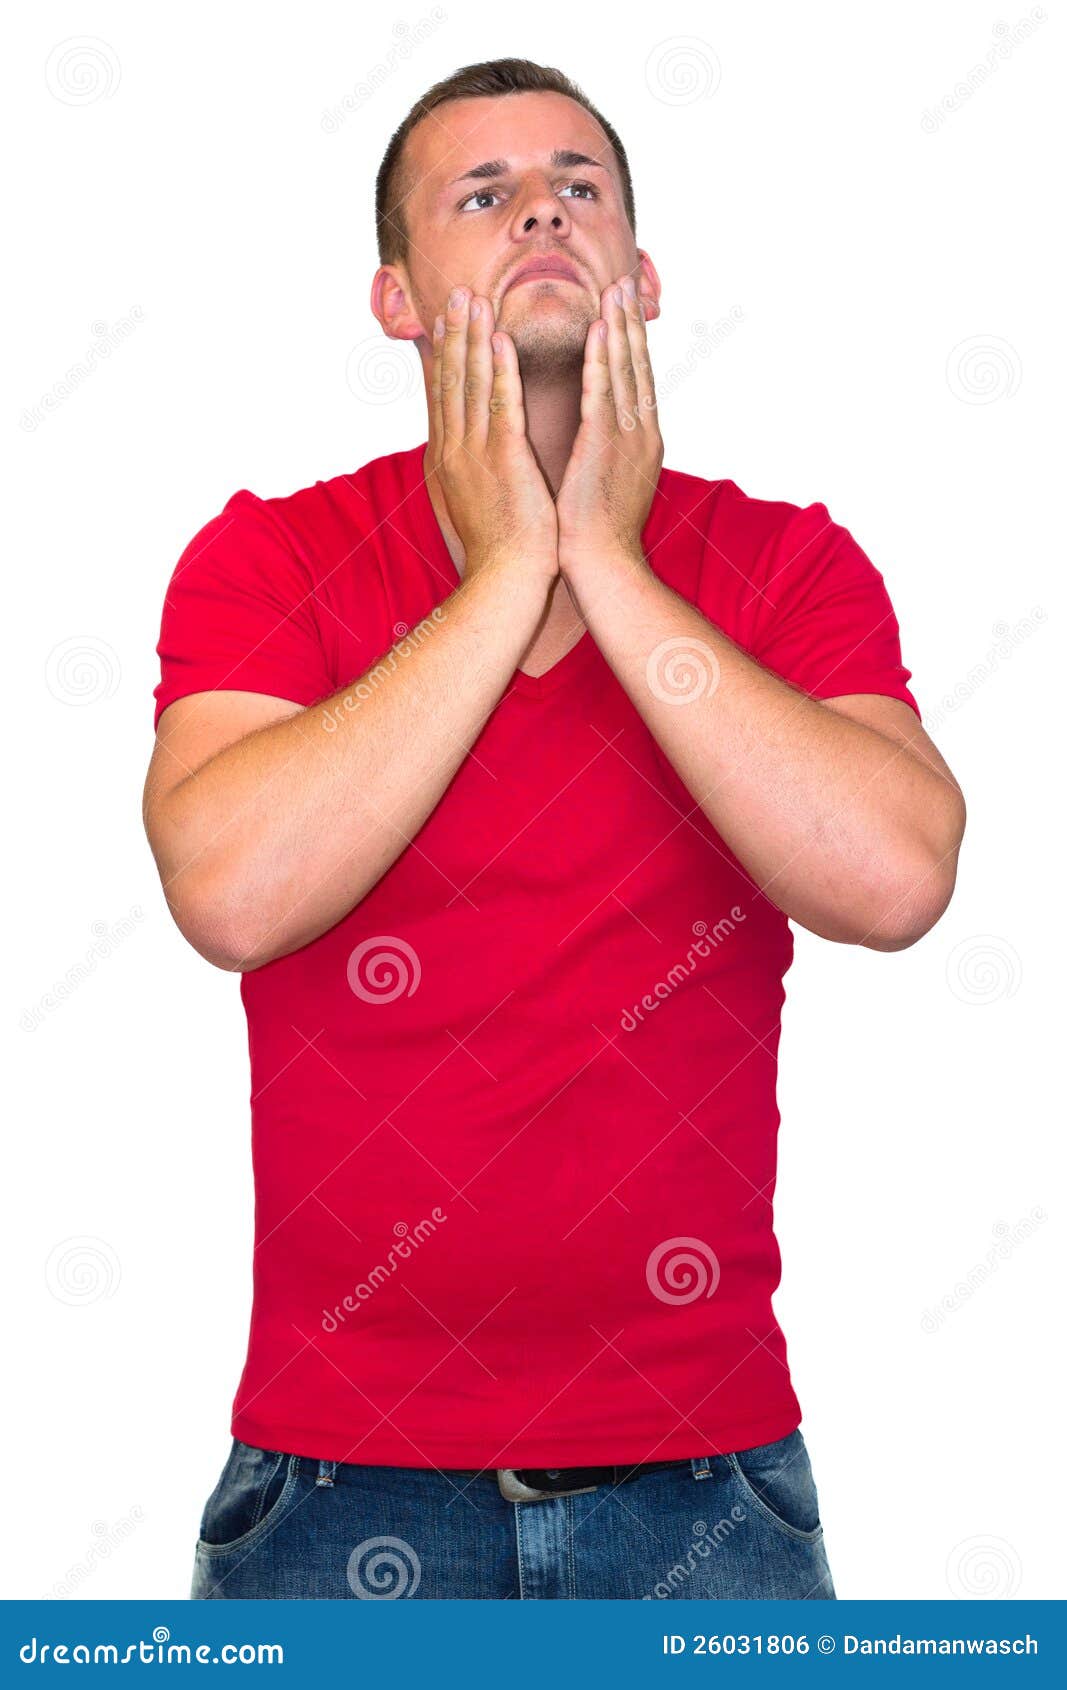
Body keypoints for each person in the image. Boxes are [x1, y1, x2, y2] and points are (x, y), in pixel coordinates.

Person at [143, 58, 966, 1601]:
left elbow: (899, 873)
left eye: (578, 186)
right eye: (485, 192)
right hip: (337, 1486)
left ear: (641, 276)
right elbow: (233, 891)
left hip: (710, 1491)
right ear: (396, 298)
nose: (542, 208)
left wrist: (606, 555)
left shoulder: (786, 564)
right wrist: (504, 573)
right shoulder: (271, 557)